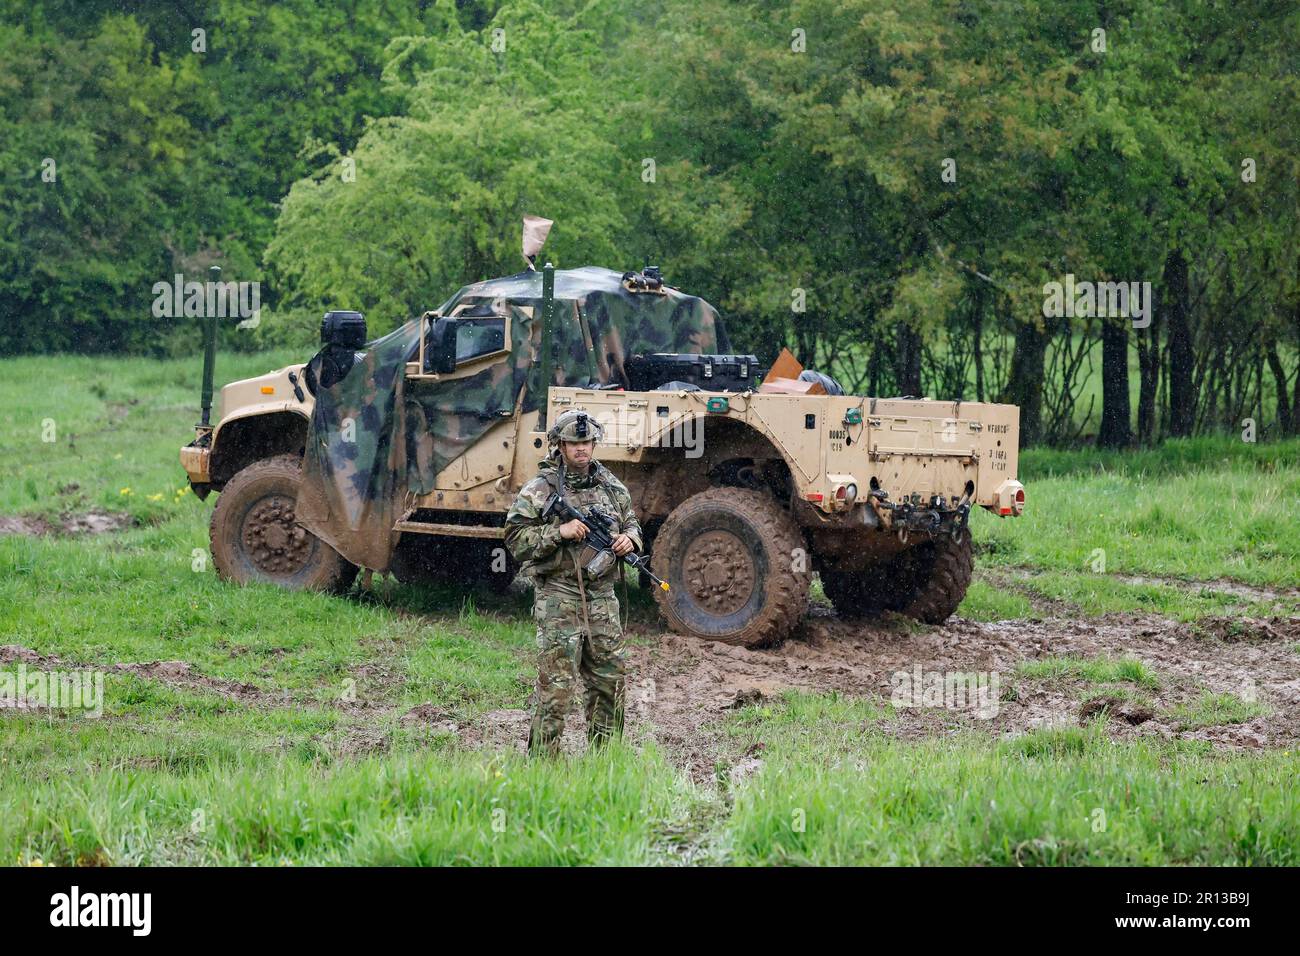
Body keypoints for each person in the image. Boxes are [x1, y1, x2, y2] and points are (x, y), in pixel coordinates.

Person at [504, 409, 642, 756]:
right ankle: (544, 765)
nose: (582, 449)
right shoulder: (540, 488)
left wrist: (630, 540)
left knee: (609, 682)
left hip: (602, 598)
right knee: (557, 687)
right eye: (574, 443)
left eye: (587, 442)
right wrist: (558, 532)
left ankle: (604, 761)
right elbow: (515, 540)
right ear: (560, 445)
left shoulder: (611, 486)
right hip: (559, 596)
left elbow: (632, 522)